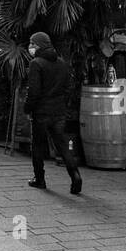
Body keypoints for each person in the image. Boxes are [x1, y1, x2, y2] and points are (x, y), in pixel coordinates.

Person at [25, 31, 82, 195]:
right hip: (58, 111)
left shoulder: (36, 63)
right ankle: (75, 175)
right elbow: (68, 87)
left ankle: (39, 179)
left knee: (37, 146)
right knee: (62, 145)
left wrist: (28, 109)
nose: (30, 47)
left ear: (41, 45)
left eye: (33, 44)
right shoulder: (61, 63)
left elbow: (33, 92)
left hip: (41, 112)